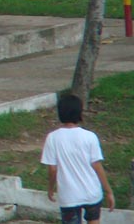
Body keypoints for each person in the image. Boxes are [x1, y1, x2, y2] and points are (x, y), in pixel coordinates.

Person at [40, 94, 114, 224]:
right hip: (92, 193)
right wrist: (108, 191)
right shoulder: (90, 136)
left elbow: (52, 169)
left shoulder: (52, 138)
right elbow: (97, 166)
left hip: (69, 196)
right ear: (80, 113)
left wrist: (51, 188)